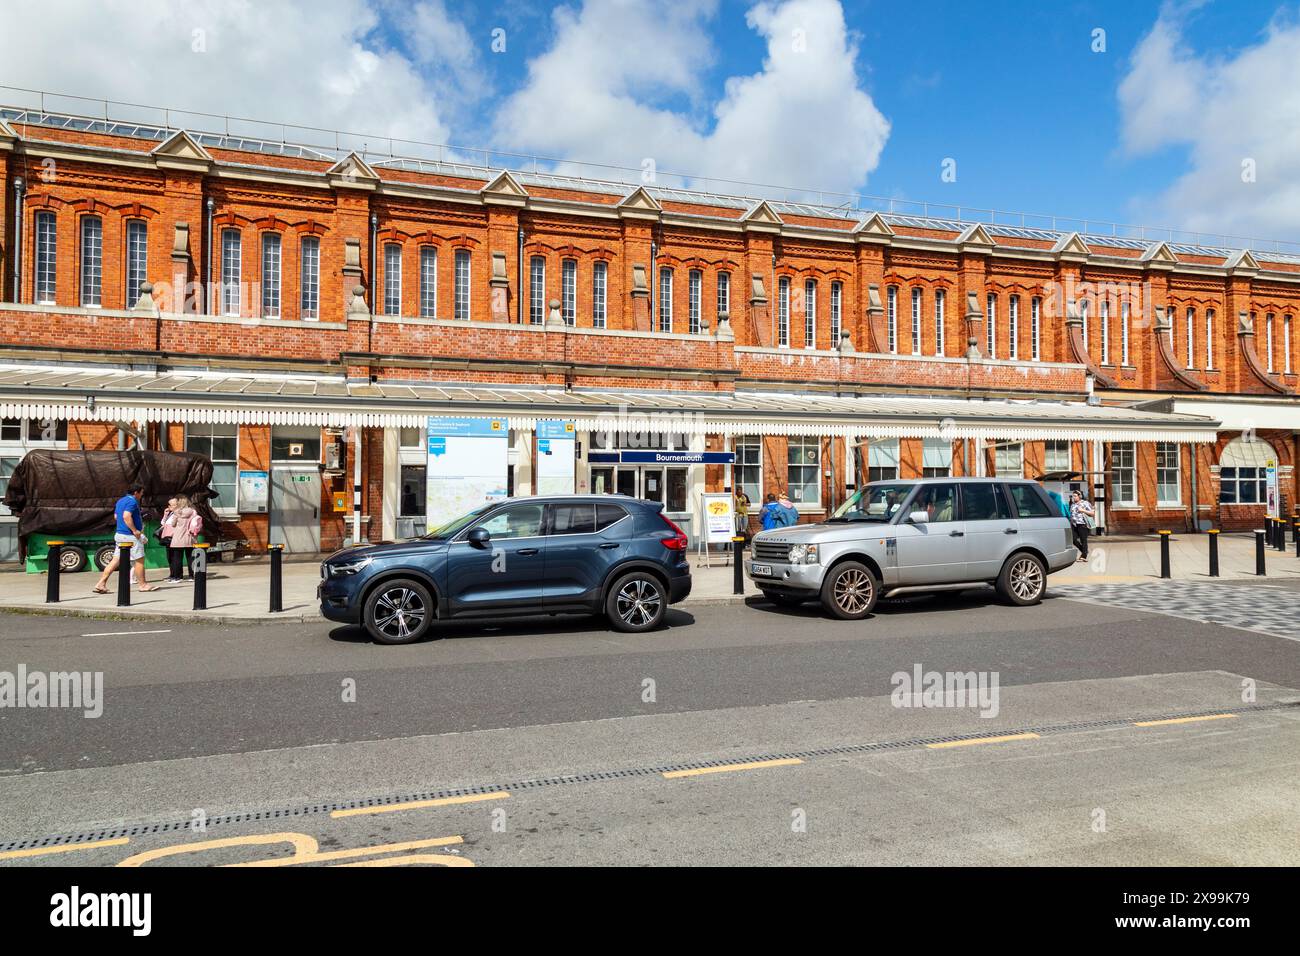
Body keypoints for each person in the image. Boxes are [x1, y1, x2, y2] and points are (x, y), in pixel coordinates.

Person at [93, 483, 156, 593]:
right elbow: (126, 516)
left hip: (120, 534)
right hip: (130, 536)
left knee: (115, 560)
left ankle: (101, 583)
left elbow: (116, 517)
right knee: (139, 560)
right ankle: (143, 585)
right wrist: (135, 530)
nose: (142, 495)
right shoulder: (132, 501)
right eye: (141, 493)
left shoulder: (120, 501)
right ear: (136, 493)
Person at [169, 495, 200, 579]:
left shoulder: (177, 512)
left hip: (178, 538)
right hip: (189, 538)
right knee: (190, 558)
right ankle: (191, 576)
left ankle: (178, 577)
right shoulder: (193, 512)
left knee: (177, 558)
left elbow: (173, 524)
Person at [160, 496, 184, 583]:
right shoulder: (170, 513)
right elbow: (163, 523)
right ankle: (172, 574)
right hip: (167, 538)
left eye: (171, 505)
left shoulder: (179, 513)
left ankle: (178, 575)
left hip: (175, 538)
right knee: (170, 557)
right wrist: (165, 514)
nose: (169, 507)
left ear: (176, 505)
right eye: (169, 505)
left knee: (176, 557)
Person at [1069, 490, 1095, 561]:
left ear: (1080, 496)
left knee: (1083, 540)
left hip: (1082, 524)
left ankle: (1084, 556)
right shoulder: (1073, 504)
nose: (1073, 497)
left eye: (1075, 496)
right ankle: (1084, 551)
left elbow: (1092, 513)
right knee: (1073, 539)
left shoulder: (1085, 503)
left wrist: (1083, 510)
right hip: (1074, 524)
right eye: (1073, 496)